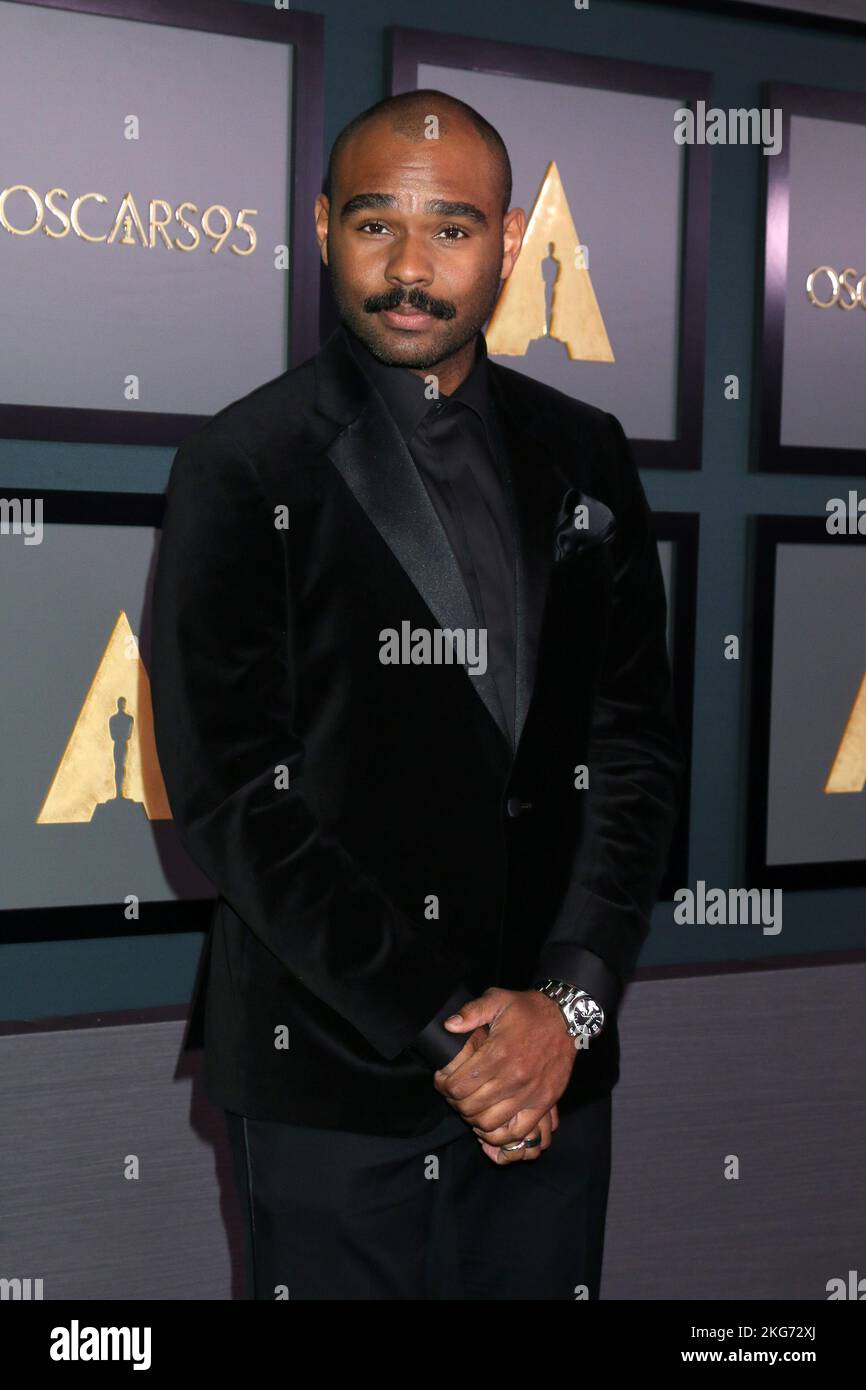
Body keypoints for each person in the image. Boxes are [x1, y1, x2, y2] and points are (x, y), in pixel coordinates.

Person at [150, 89, 685, 1300]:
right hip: (333, 1069)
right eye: (373, 224)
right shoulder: (242, 462)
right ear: (321, 228)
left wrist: (564, 1010)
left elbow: (633, 750)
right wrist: (460, 1037)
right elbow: (236, 798)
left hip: (552, 1072)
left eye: (449, 227)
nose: (407, 267)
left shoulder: (586, 449)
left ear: (508, 241)